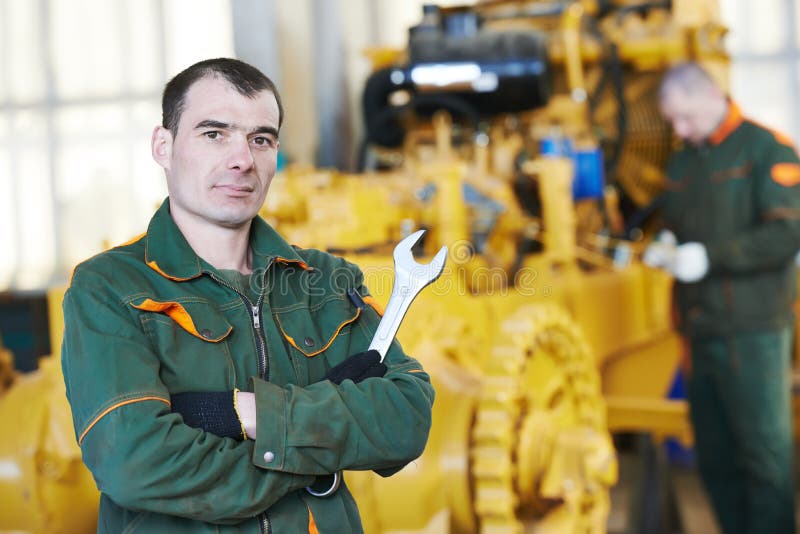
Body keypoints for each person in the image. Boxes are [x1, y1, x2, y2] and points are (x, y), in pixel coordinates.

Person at [61, 57, 434, 533]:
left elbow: (405, 417)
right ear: (163, 146)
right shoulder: (110, 288)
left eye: (261, 139)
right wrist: (315, 457)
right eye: (214, 134)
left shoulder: (326, 280)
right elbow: (133, 460)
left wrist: (241, 413)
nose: (242, 160)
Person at [644, 61, 800, 534]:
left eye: (684, 116)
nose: (678, 128)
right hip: (700, 331)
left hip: (754, 332)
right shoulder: (684, 161)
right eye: (672, 119)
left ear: (712, 96)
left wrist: (712, 257)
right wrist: (665, 245)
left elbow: (787, 234)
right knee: (714, 457)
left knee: (765, 455)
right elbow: (676, 224)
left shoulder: (765, 148)